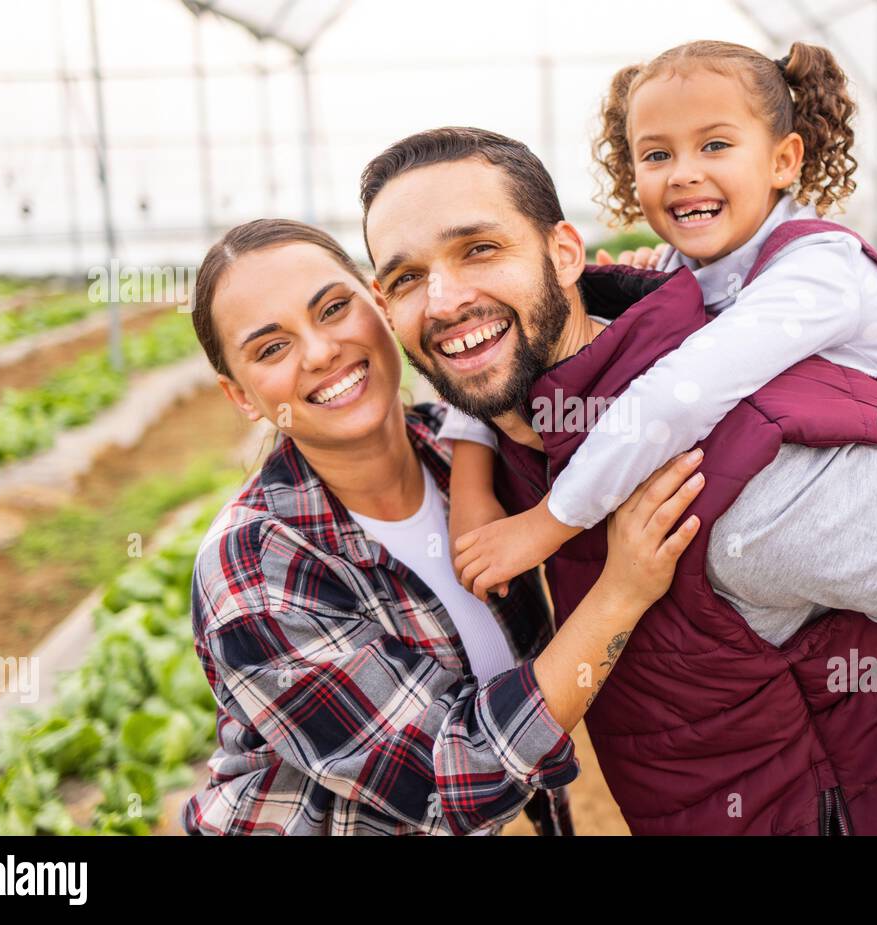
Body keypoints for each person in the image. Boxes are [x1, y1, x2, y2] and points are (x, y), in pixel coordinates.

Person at [360, 125, 877, 835]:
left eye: (478, 250)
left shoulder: (753, 482)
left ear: (565, 255)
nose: (444, 300)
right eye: (404, 279)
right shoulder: (528, 423)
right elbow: (473, 367)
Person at [179, 219, 702, 835]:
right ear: (239, 395)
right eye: (271, 348)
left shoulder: (461, 451)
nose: (320, 352)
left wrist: (626, 291)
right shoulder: (253, 567)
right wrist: (621, 594)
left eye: (334, 308)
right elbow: (450, 775)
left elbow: (579, 384)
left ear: (380, 302)